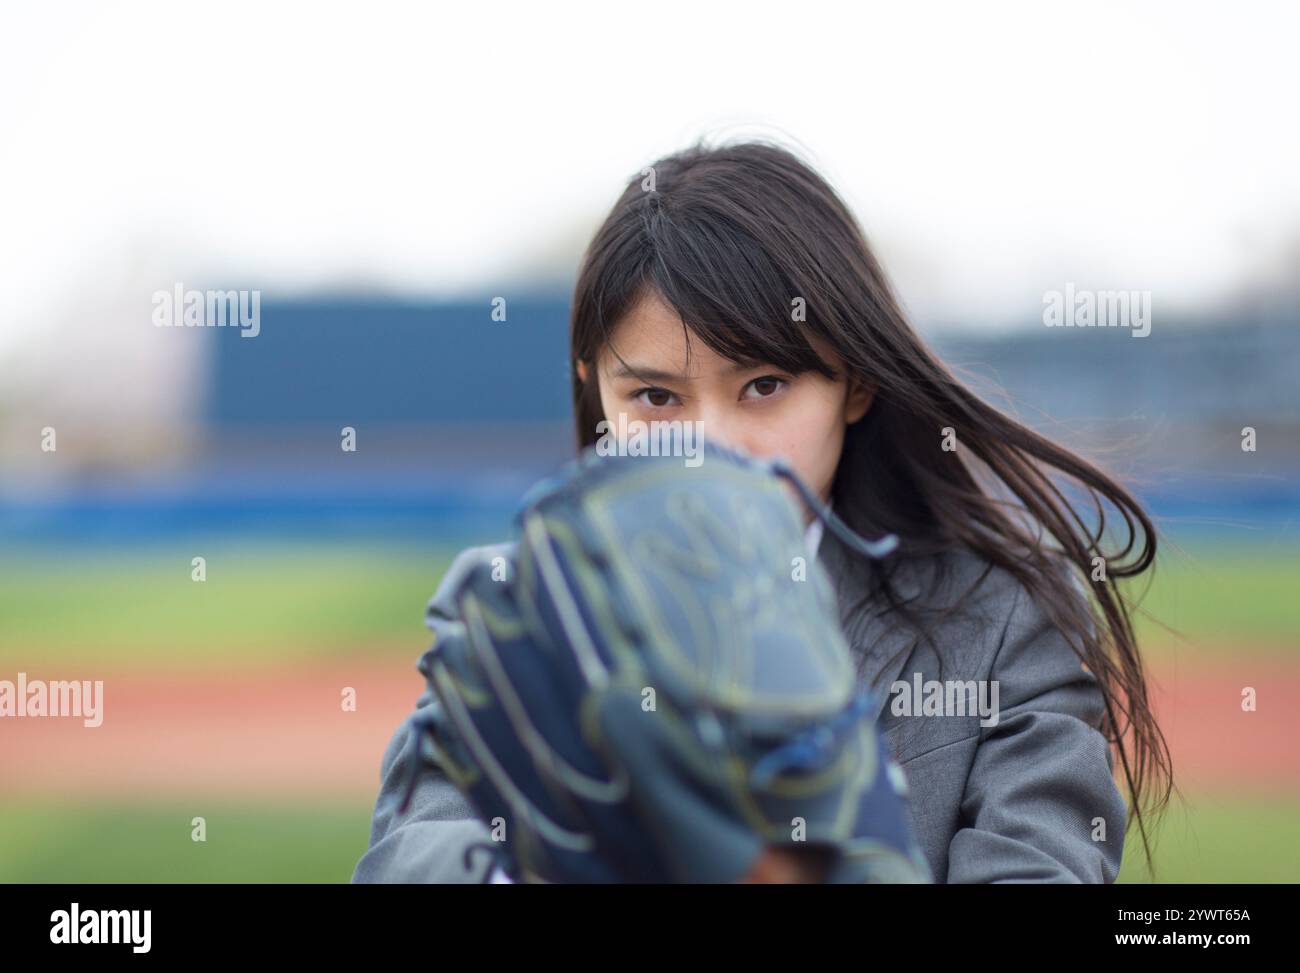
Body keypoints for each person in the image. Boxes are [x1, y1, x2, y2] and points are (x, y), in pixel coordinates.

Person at [354, 139, 1171, 884]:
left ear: (854, 380)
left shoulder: (1008, 613)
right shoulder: (523, 611)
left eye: (764, 386)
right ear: (594, 392)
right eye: (654, 396)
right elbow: (412, 855)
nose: (713, 445)